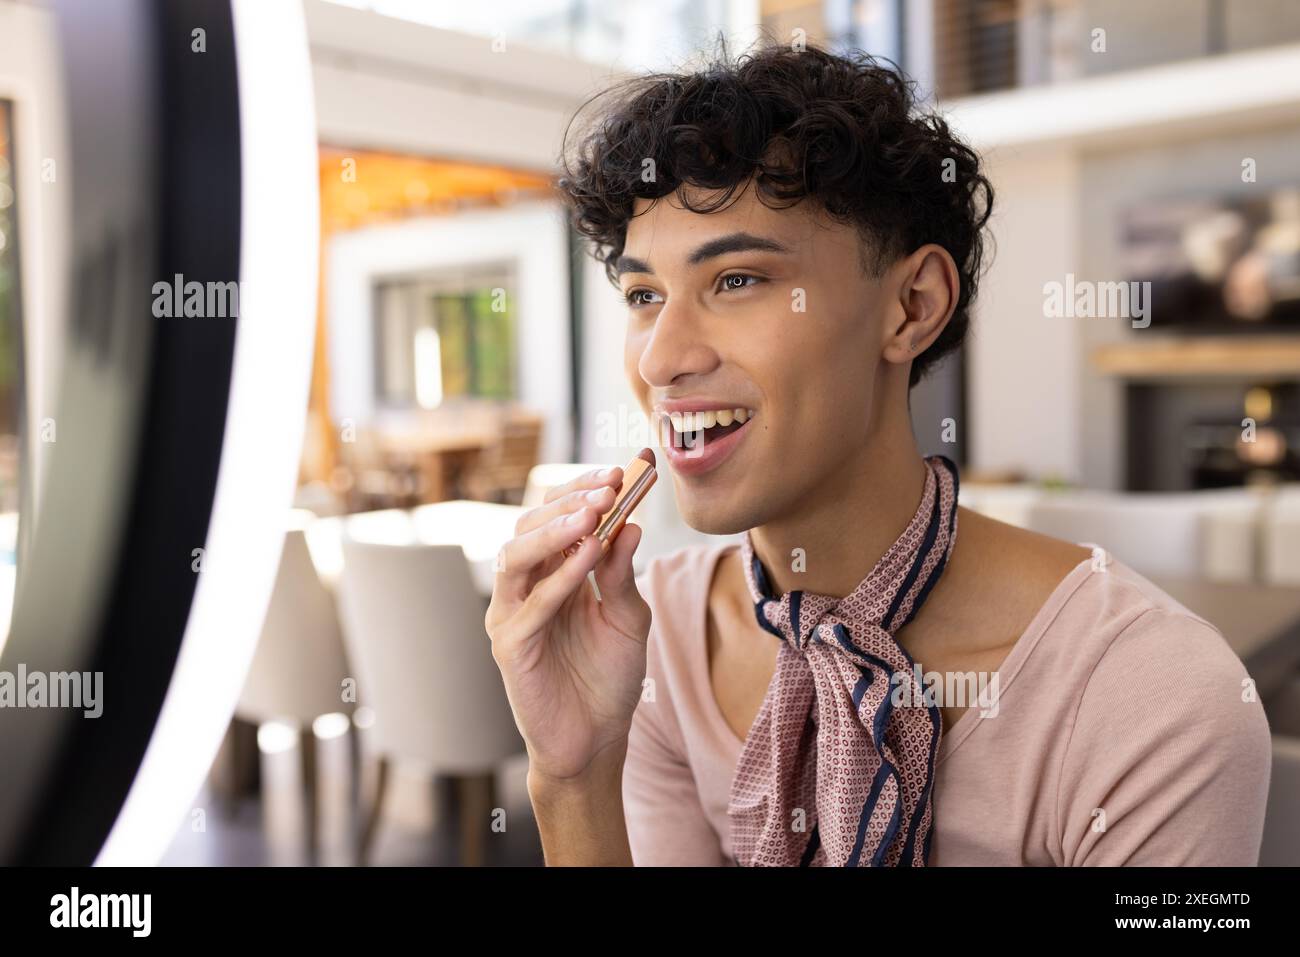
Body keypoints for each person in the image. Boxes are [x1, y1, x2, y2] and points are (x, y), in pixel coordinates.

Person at [485, 43, 1272, 866]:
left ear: (912, 306)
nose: (659, 360)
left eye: (738, 281)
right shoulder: (658, 642)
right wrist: (572, 777)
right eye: (645, 295)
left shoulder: (1159, 696)